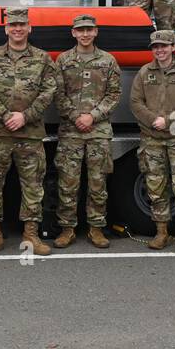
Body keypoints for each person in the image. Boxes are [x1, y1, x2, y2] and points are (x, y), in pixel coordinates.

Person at [0, 8, 58, 256]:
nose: (17, 29)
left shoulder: (42, 59)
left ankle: (31, 233)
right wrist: (5, 115)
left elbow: (49, 91)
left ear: (29, 28)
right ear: (6, 29)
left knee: (33, 186)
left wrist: (25, 116)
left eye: (22, 24)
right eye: (13, 25)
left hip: (30, 133)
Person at [130, 30, 175, 256]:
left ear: (173, 47)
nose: (159, 50)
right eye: (155, 47)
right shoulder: (145, 72)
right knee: (155, 187)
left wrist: (168, 121)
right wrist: (154, 121)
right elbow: (135, 102)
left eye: (164, 46)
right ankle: (161, 232)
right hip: (152, 137)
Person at [53, 13, 121, 249]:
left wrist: (92, 116)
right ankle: (67, 228)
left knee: (97, 183)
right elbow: (57, 94)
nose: (84, 34)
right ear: (73, 33)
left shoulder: (108, 61)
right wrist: (75, 117)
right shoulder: (62, 61)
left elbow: (114, 95)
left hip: (98, 131)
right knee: (67, 182)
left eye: (88, 30)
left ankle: (96, 228)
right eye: (80, 30)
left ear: (95, 32)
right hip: (70, 131)